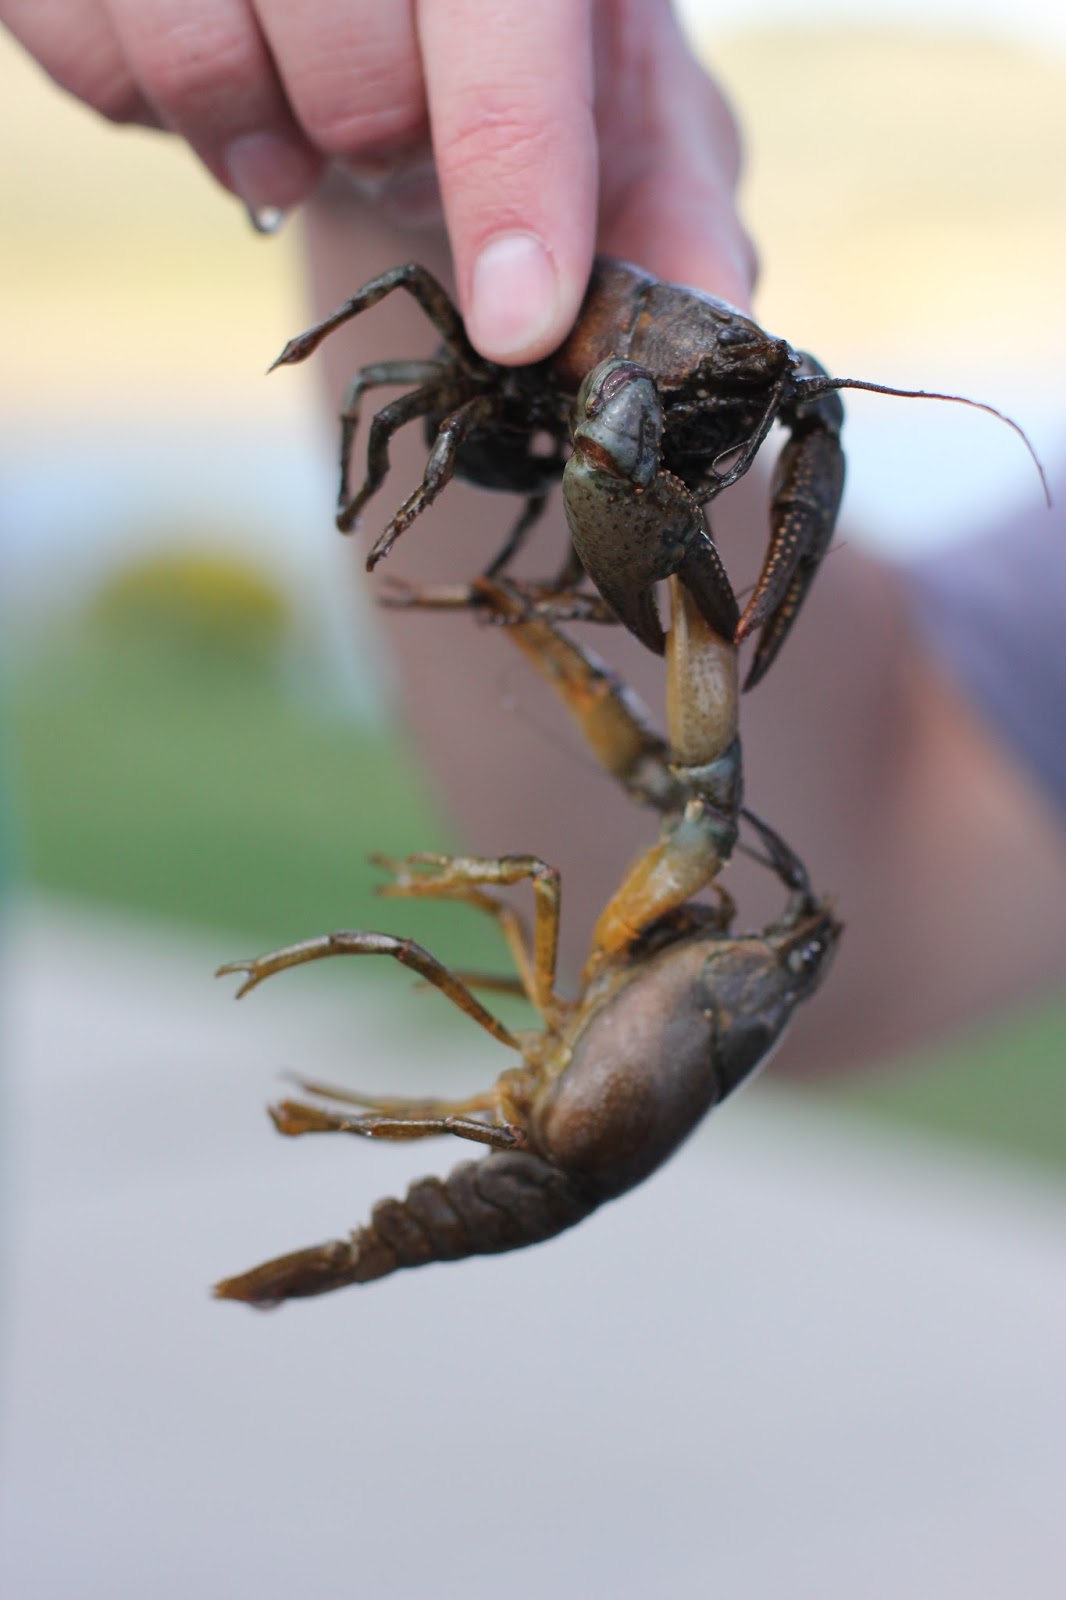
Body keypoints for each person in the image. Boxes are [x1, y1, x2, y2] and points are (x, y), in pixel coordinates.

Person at [5, 0, 1064, 1072]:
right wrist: (412, 162)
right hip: (511, 410)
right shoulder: (588, 397)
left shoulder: (662, 394)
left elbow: (868, 927)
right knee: (512, 432)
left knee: (651, 438)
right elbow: (886, 852)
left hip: (571, 431)